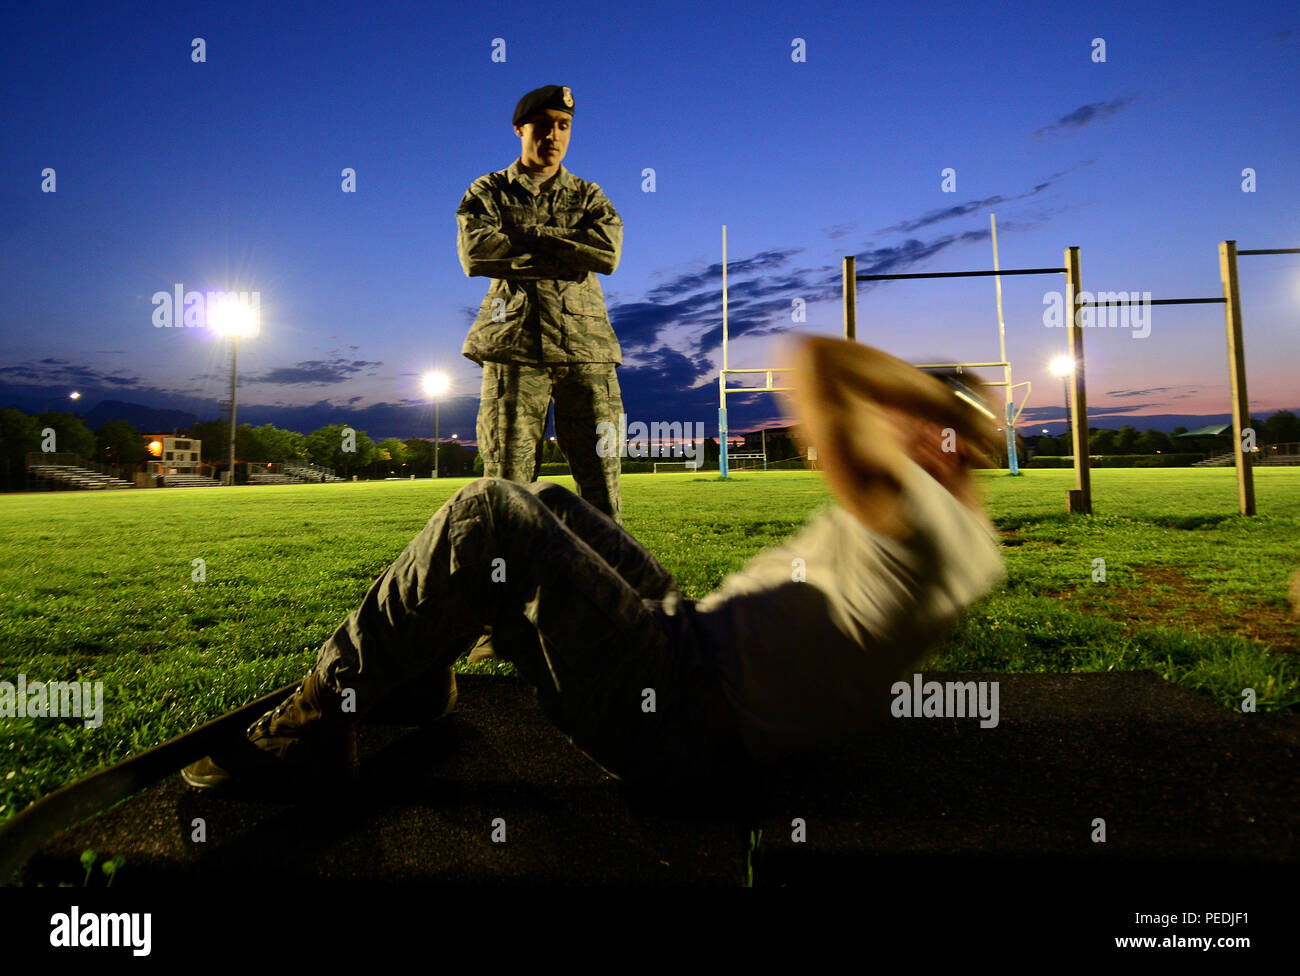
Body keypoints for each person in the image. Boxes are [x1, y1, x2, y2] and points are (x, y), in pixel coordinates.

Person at [182, 337, 1007, 792]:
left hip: (683, 710)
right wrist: (931, 409)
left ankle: (323, 715)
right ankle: (420, 670)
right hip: (695, 648)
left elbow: (815, 364)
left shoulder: (922, 511)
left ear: (942, 438)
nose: (887, 425)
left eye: (910, 417)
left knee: (488, 513)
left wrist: (930, 398)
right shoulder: (956, 521)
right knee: (544, 499)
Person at [457, 84, 626, 525]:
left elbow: (606, 254)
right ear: (520, 129)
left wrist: (529, 235)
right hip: (515, 349)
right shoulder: (488, 190)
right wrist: (569, 251)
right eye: (544, 125)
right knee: (507, 483)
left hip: (586, 350)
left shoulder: (588, 195)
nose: (554, 134)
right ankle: (508, 582)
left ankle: (608, 583)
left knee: (602, 482)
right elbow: (477, 254)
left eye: (564, 126)